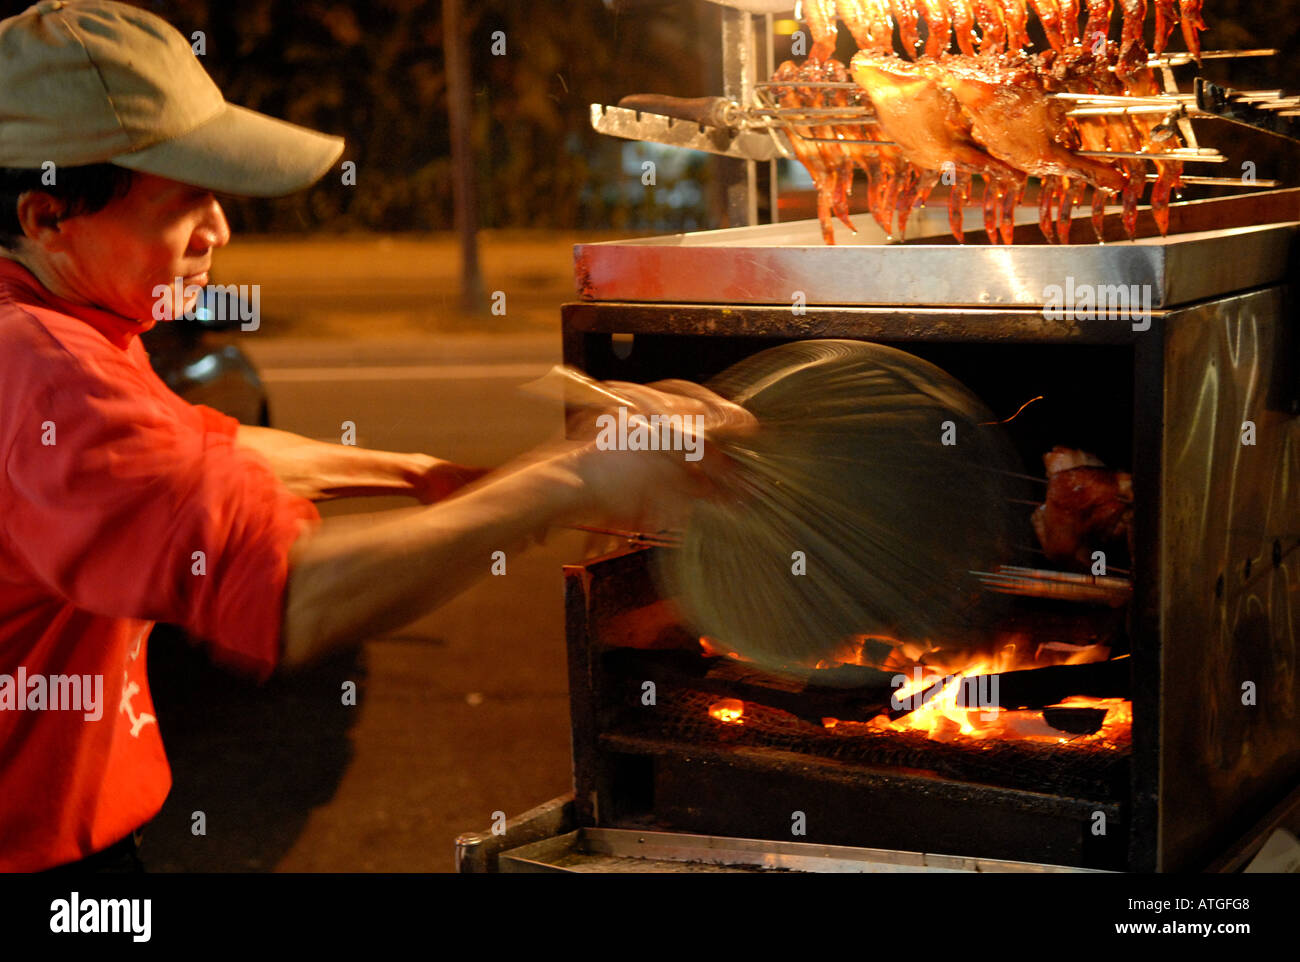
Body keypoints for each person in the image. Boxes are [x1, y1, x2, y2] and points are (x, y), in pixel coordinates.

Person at [0, 0, 747, 872]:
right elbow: (291, 597)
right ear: (48, 215)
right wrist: (577, 481)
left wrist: (414, 474)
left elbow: (183, 456)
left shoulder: (52, 321)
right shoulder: (47, 371)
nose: (220, 232)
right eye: (187, 201)